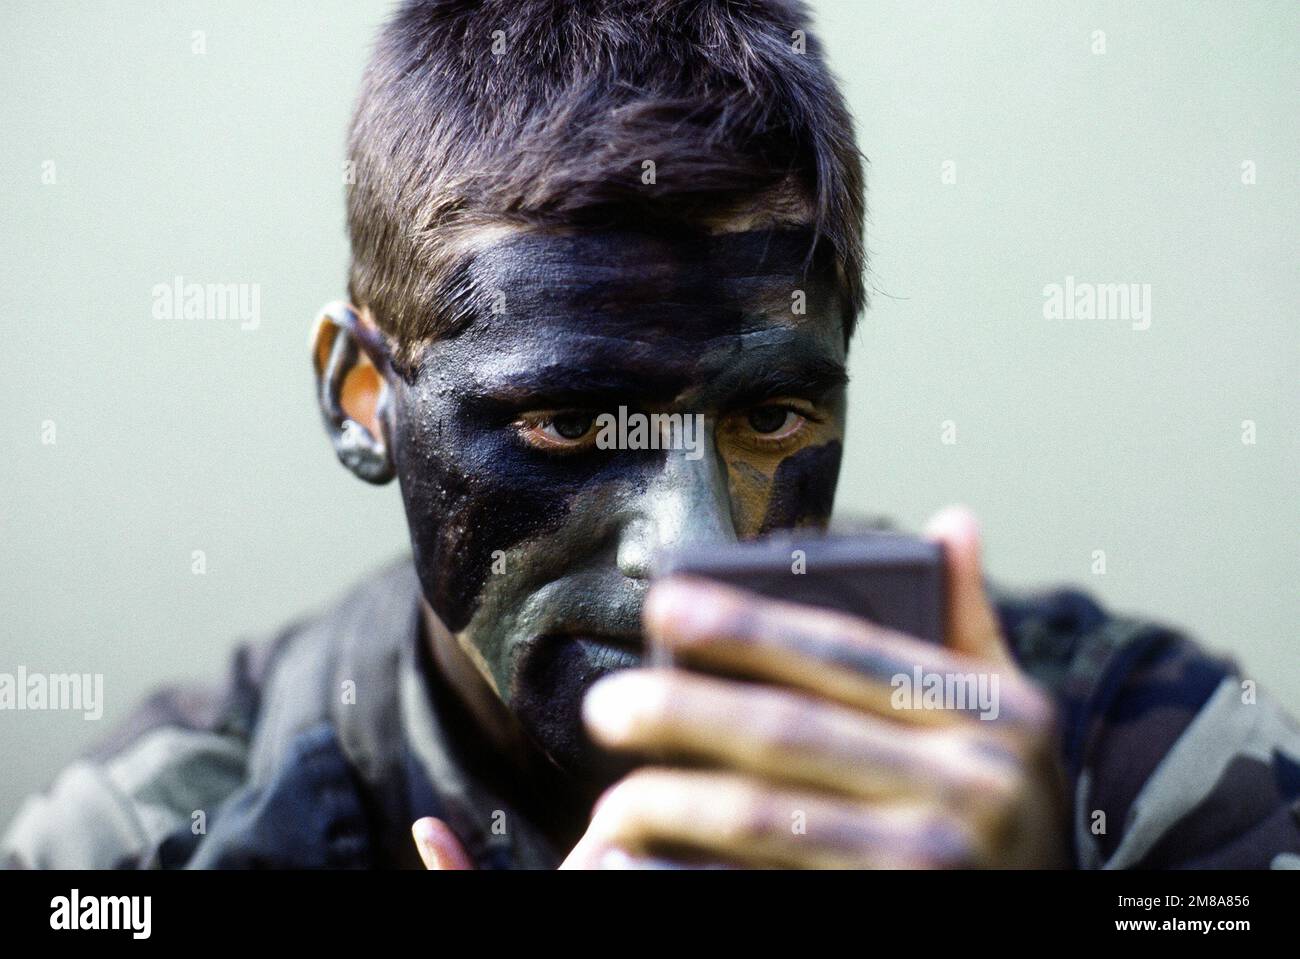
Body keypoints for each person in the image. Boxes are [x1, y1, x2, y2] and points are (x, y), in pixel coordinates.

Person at [5, 0, 1297, 870]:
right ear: (363, 399)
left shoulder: (1142, 763)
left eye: (769, 413)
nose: (690, 550)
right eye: (567, 420)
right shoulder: (145, 836)